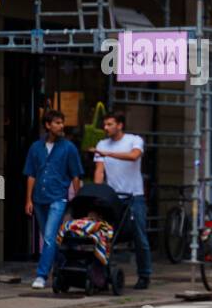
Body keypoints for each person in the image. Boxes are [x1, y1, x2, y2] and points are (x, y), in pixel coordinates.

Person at [24, 110, 85, 289]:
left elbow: (75, 175)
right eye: (57, 123)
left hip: (58, 198)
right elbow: (31, 175)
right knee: (48, 237)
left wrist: (78, 200)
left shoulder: (69, 148)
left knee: (49, 237)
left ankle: (41, 275)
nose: (61, 126)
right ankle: (65, 262)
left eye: (62, 122)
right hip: (39, 198)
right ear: (48, 125)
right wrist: (28, 200)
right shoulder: (35, 148)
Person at [93, 111, 152, 289]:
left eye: (110, 124)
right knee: (107, 234)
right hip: (113, 197)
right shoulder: (102, 144)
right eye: (105, 124)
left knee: (139, 235)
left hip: (134, 195)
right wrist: (98, 192)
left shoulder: (134, 140)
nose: (106, 128)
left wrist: (108, 154)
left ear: (120, 125)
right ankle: (102, 273)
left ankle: (144, 274)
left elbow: (134, 156)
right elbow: (99, 171)